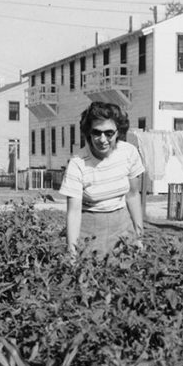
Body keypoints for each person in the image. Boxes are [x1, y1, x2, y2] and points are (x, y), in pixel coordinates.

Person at [59, 102, 145, 256]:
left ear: (118, 132)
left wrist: (139, 237)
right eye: (96, 133)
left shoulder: (129, 153)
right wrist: (72, 252)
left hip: (122, 225)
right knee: (89, 275)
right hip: (90, 228)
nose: (102, 139)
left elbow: (133, 195)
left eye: (109, 133)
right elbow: (74, 212)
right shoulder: (77, 163)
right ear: (88, 133)